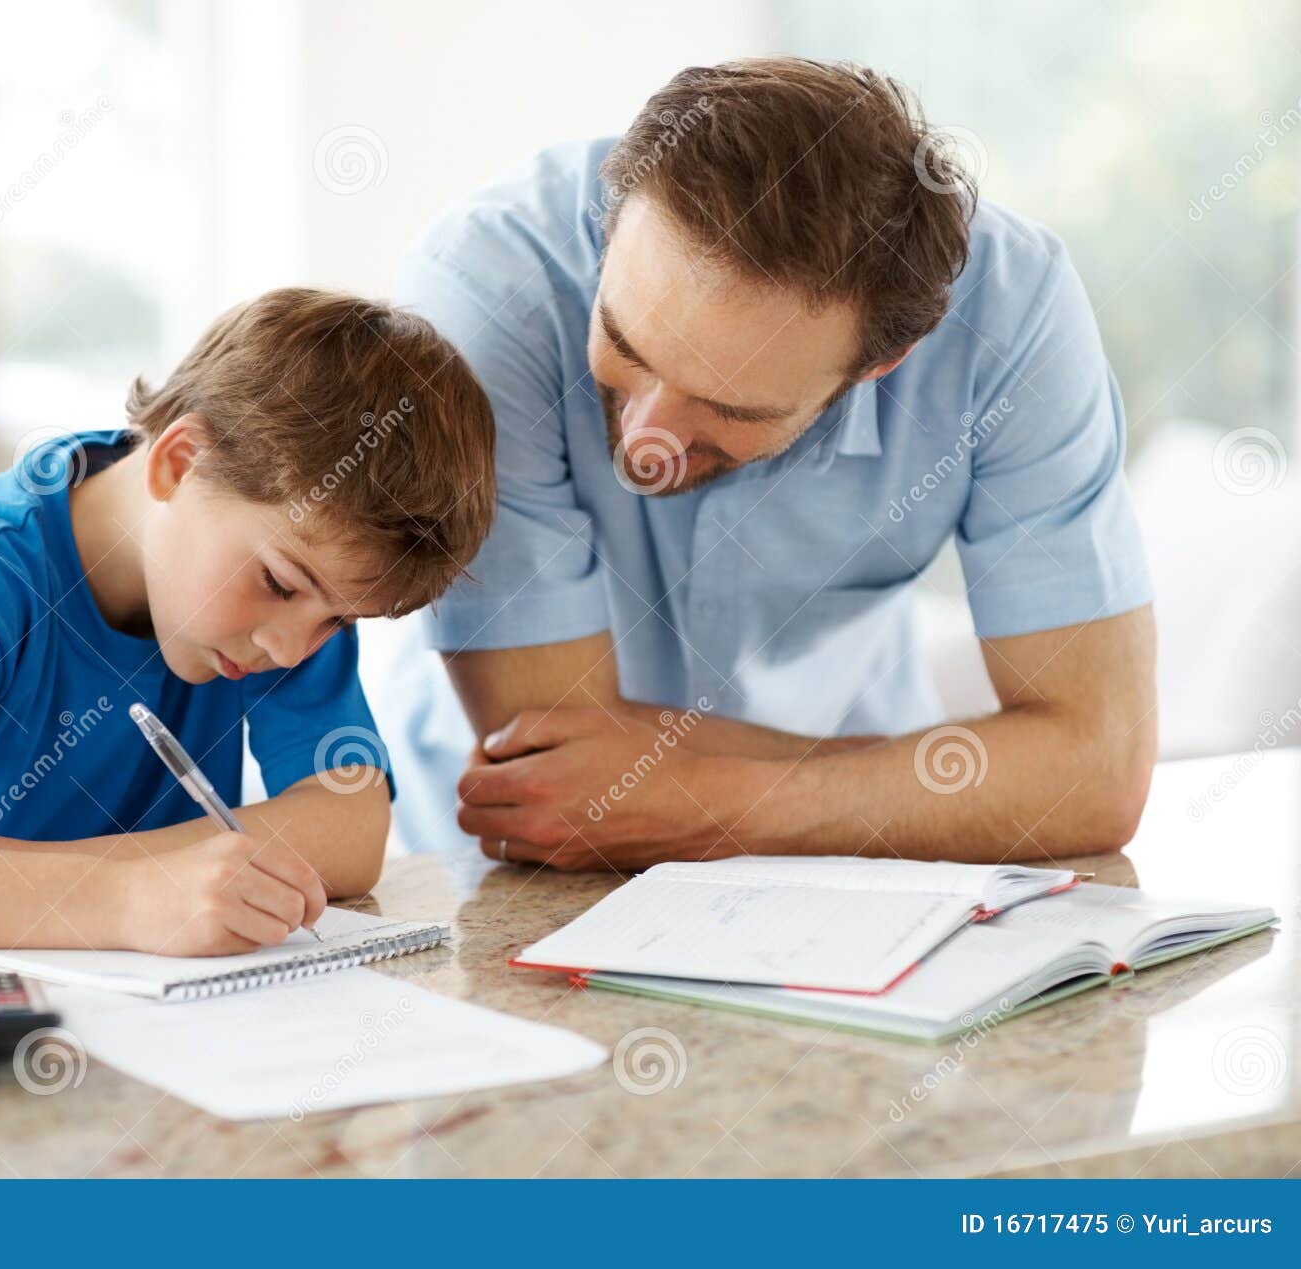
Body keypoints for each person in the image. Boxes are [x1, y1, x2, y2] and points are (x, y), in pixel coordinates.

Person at [388, 58, 1156, 869]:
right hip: (495, 871)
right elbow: (561, 780)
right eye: (623, 343)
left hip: (848, 876)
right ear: (610, 231)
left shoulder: (1013, 321)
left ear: (880, 364)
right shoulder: (488, 290)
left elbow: (1098, 774)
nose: (647, 440)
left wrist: (718, 803)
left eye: (729, 410)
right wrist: (954, 782)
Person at [0, 289, 496, 954]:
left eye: (339, 622)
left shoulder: (292, 594)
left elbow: (352, 823)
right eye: (279, 584)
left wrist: (159, 886)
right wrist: (129, 897)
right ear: (179, 462)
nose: (292, 646)